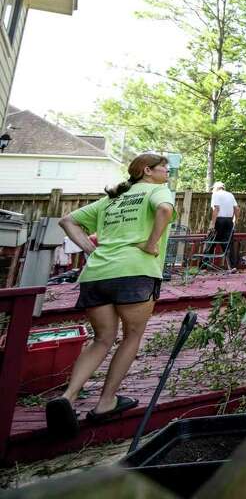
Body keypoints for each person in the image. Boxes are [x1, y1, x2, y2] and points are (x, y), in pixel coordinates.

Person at [44, 153, 175, 436]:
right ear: (147, 170)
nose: (168, 172)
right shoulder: (157, 190)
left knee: (102, 339)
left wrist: (91, 250)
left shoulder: (111, 200)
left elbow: (67, 221)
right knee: (131, 337)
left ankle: (68, 397)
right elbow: (165, 210)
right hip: (135, 272)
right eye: (164, 167)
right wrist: (151, 244)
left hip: (97, 274)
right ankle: (106, 403)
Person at [207, 181, 239, 267]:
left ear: (216, 188)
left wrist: (212, 224)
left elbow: (216, 209)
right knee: (228, 244)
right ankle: (232, 267)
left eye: (213, 188)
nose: (212, 190)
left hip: (219, 220)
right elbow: (237, 208)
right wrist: (235, 221)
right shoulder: (230, 195)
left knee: (211, 242)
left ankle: (204, 266)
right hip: (229, 221)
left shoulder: (215, 194)